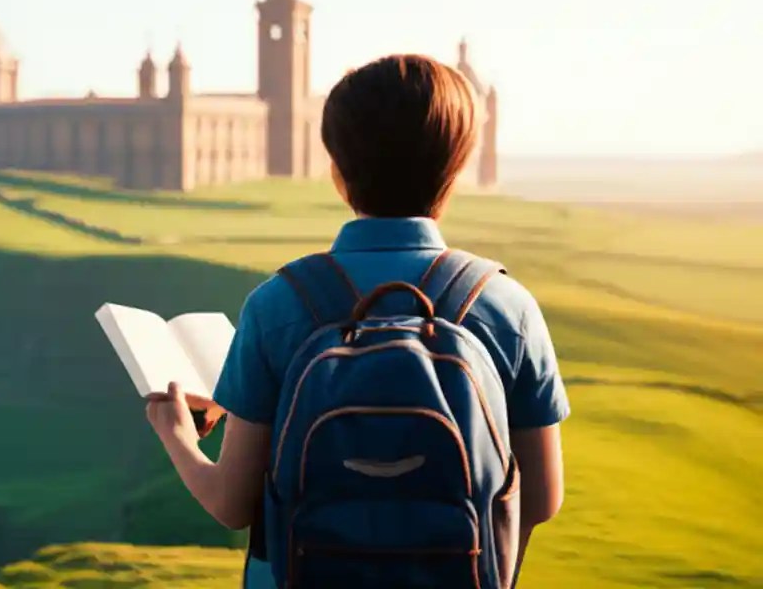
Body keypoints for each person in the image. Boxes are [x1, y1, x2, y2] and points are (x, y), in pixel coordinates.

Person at [145, 54, 569, 587]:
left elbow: (232, 504)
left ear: (337, 171)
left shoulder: (280, 303)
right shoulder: (505, 305)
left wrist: (178, 435)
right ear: (457, 166)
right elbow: (543, 498)